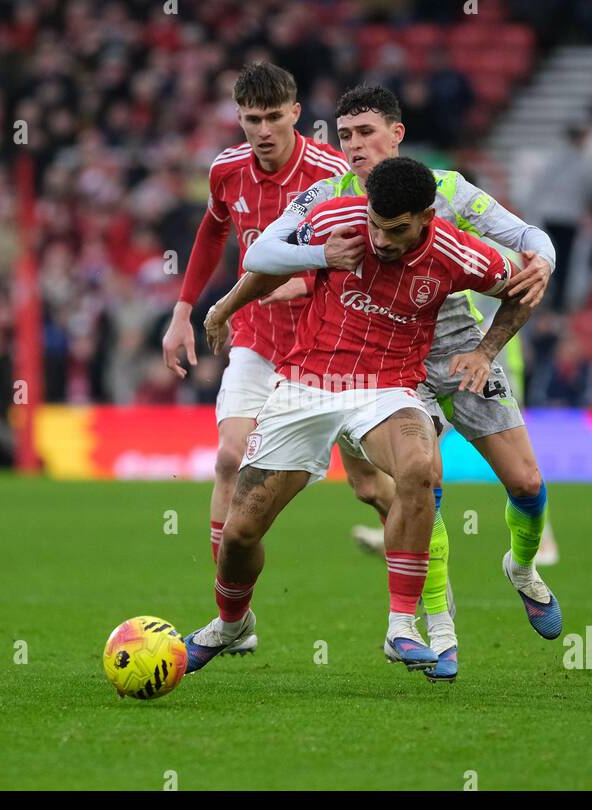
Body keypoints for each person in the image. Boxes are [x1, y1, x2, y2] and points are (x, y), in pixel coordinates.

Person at [185, 158, 558, 682]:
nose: (381, 239)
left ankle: (402, 625)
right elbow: (265, 259)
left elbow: (521, 288)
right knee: (241, 533)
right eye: (376, 224)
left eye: (397, 228)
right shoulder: (341, 219)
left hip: (387, 387)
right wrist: (225, 308)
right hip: (307, 384)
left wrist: (486, 349)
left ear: (427, 216)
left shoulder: (456, 250)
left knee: (419, 469)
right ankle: (229, 624)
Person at [160, 62, 348, 657]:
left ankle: (422, 600)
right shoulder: (226, 170)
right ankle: (232, 618)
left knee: (376, 487)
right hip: (257, 340)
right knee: (229, 458)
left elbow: (359, 251)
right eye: (250, 119)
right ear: (238, 118)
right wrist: (182, 311)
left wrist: (302, 280)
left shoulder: (331, 173)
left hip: (325, 349)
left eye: (272, 117)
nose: (262, 130)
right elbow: (212, 234)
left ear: (295, 114)